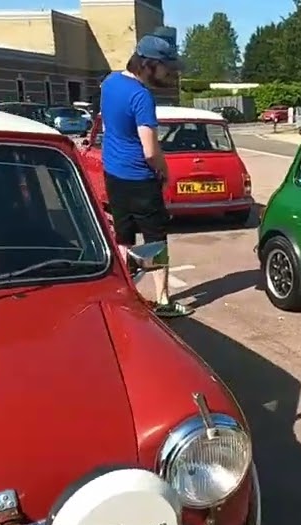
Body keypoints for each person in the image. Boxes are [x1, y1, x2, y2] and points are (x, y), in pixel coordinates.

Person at [99, 32, 191, 318]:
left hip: (113, 173)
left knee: (123, 236)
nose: (168, 73)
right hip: (140, 178)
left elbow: (109, 126)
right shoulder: (141, 96)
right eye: (166, 67)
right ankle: (163, 301)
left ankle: (123, 293)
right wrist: (164, 170)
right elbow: (150, 150)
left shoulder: (110, 82)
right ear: (149, 64)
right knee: (155, 240)